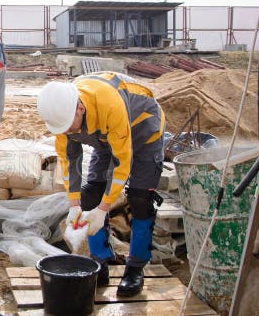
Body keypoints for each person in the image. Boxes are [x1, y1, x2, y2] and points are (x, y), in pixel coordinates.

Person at [37, 72, 165, 297]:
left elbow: (121, 164)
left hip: (143, 130)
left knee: (139, 198)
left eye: (68, 126)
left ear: (80, 108)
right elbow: (69, 162)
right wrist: (74, 204)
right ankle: (101, 262)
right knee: (90, 196)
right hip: (107, 138)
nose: (66, 132)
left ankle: (135, 269)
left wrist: (104, 209)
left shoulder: (109, 105)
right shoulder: (64, 117)